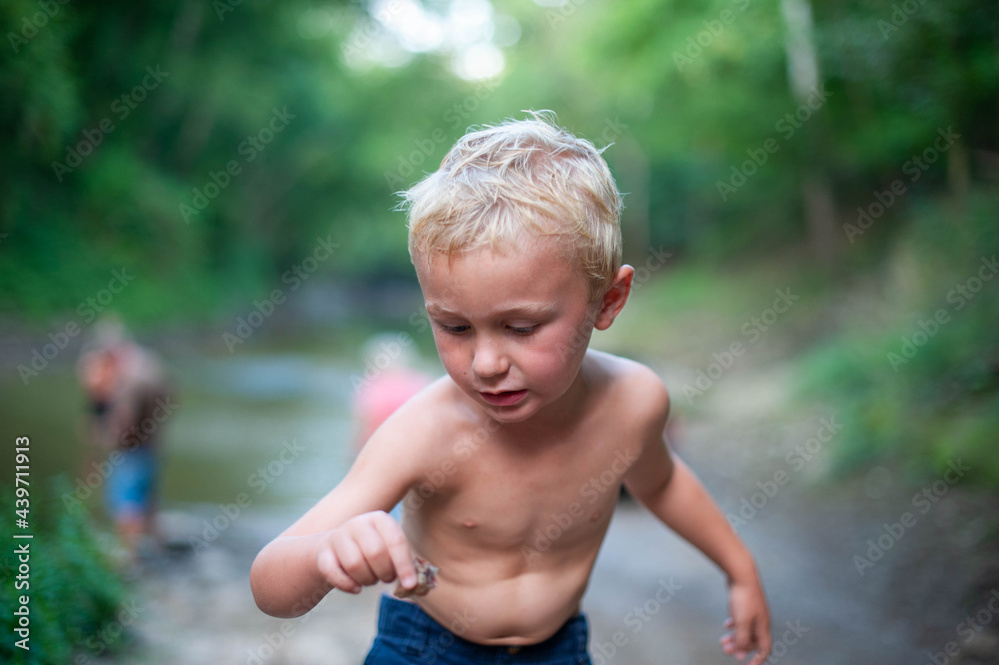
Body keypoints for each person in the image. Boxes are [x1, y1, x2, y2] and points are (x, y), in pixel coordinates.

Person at [251, 113, 772, 664]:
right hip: (426, 647)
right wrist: (325, 555)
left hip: (560, 649)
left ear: (608, 302)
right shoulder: (425, 432)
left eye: (521, 328)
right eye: (453, 327)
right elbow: (270, 585)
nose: (486, 363)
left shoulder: (633, 402)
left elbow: (662, 485)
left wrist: (740, 570)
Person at [78, 315, 172, 564]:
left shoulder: (127, 380)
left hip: (130, 451)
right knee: (148, 499)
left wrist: (105, 432)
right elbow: (172, 397)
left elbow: (124, 425)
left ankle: (130, 561)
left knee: (125, 506)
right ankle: (156, 550)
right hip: (152, 445)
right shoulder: (150, 364)